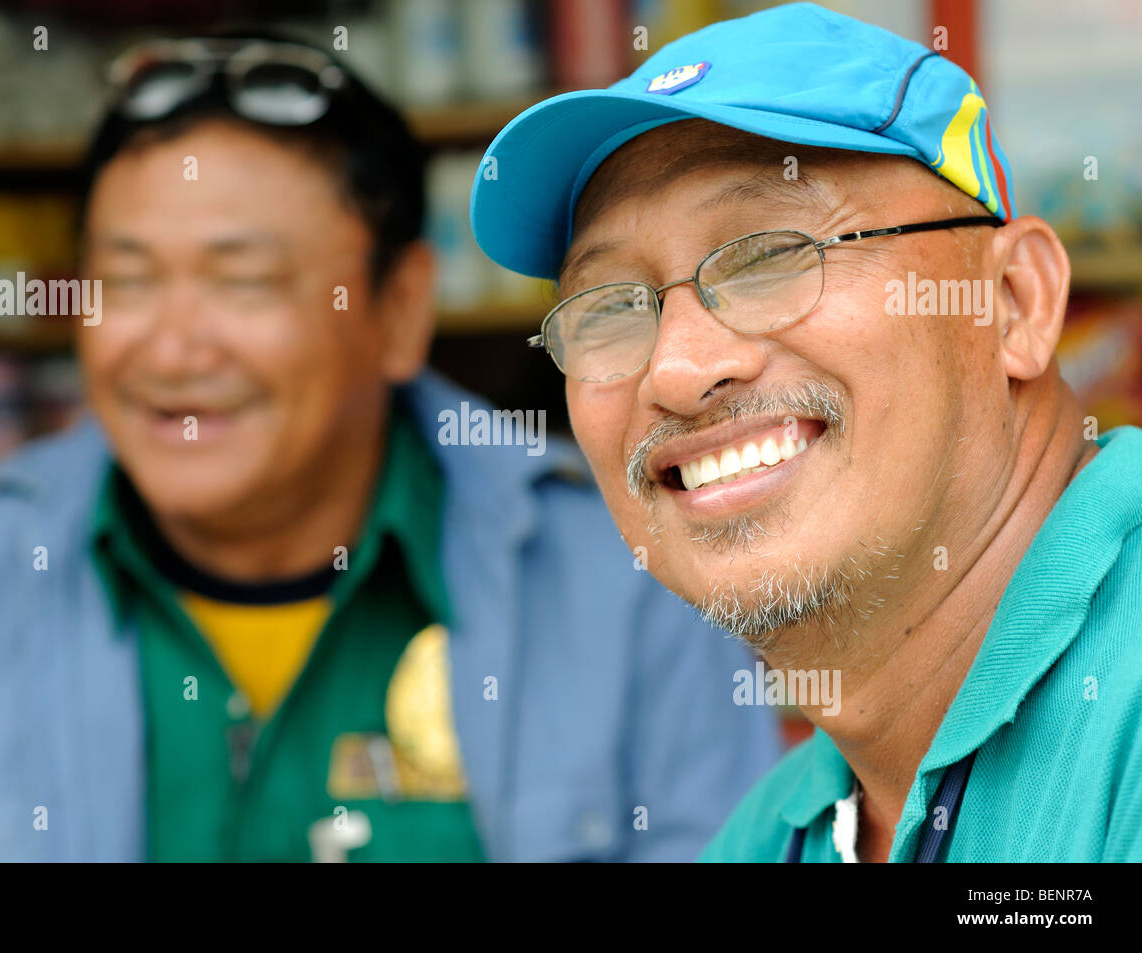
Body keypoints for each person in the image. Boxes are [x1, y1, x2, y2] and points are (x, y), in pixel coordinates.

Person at [0, 30, 779, 862]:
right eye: (126, 281)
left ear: (398, 309)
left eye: (243, 281)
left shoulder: (626, 585)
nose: (172, 349)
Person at [469, 2, 1142, 862]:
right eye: (611, 306)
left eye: (768, 255)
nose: (675, 368)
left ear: (1012, 303)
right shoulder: (772, 834)